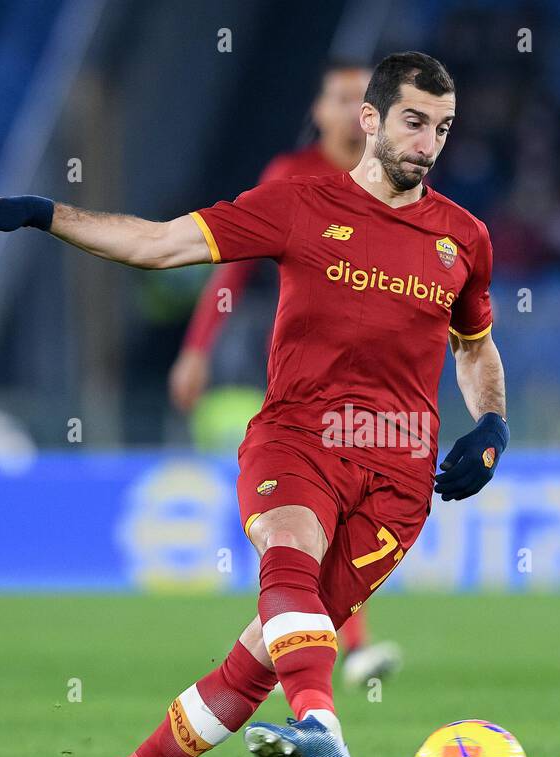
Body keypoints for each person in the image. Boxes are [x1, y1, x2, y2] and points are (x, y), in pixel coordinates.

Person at [0, 51, 509, 757]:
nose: (429, 143)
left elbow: (474, 346)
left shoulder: (464, 238)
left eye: (443, 129)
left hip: (399, 478)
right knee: (288, 549)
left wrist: (491, 426)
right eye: (415, 122)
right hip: (297, 439)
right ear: (372, 120)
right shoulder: (296, 203)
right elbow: (161, 244)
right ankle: (322, 729)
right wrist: (48, 213)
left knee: (254, 665)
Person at [170, 60, 401, 689]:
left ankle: (321, 638)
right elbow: (230, 269)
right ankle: (330, 642)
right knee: (315, 512)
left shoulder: (395, 181)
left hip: (376, 381)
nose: (355, 109)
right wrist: (197, 349)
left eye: (366, 98)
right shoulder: (291, 178)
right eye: (342, 97)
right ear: (321, 112)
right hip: (302, 374)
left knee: (352, 510)